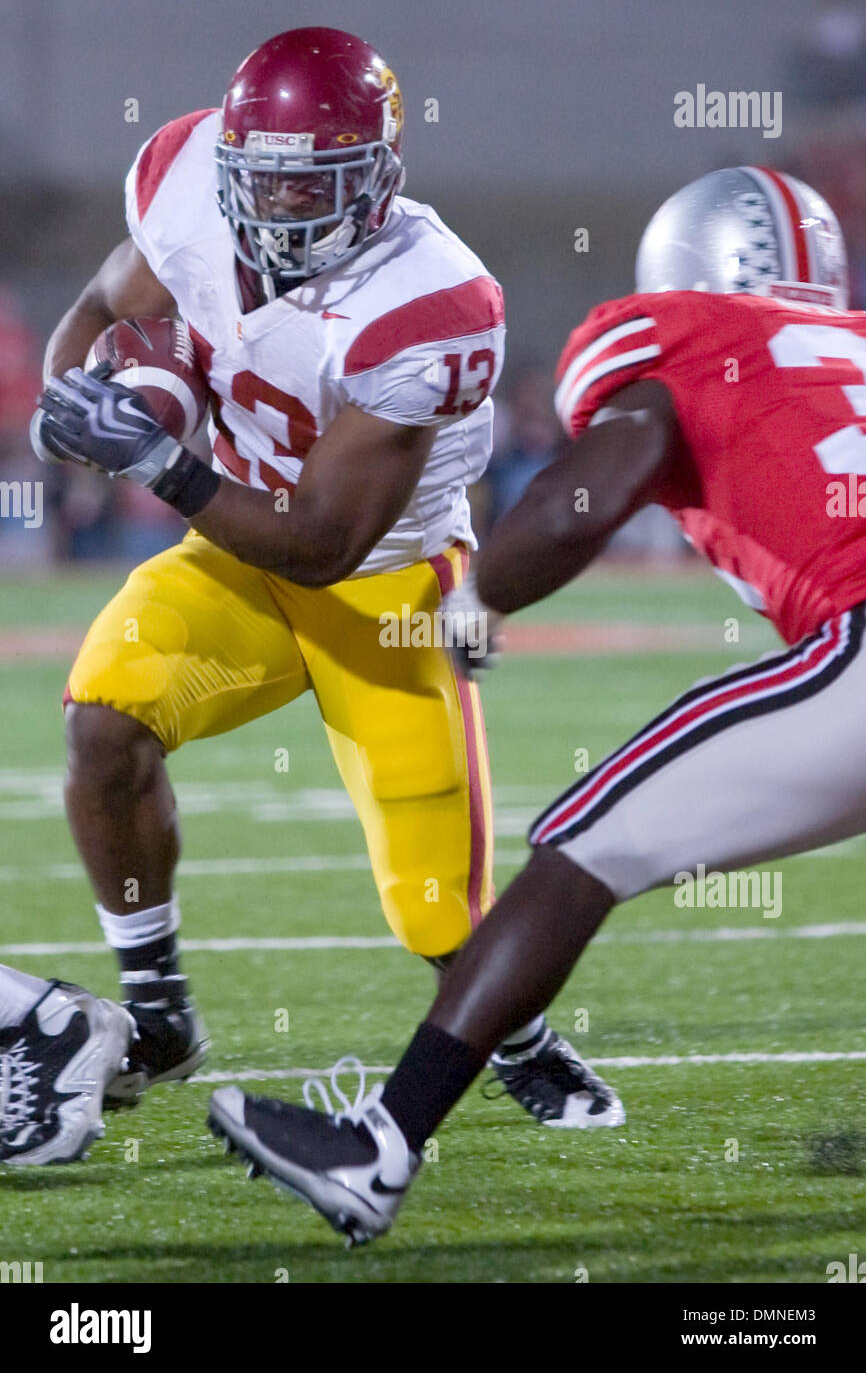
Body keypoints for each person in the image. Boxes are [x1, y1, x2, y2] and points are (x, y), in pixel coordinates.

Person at [207, 165, 866, 1246]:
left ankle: (381, 1143)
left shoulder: (680, 336)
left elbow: (587, 493)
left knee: (580, 847)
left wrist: (482, 592)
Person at [3, 27, 622, 1167]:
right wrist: (68, 409)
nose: (282, 200)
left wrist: (157, 463)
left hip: (378, 583)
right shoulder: (187, 175)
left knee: (434, 910)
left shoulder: (431, 301)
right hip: (231, 544)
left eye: (312, 177)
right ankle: (159, 1007)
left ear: (380, 174)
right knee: (103, 724)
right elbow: (98, 306)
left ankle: (521, 1034)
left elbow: (321, 544)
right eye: (265, 173)